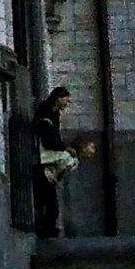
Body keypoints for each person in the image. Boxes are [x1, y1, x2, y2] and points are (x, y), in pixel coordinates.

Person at [24, 88, 84, 240]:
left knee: (49, 202)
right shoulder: (45, 116)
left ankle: (48, 228)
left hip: (47, 162)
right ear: (58, 98)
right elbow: (50, 140)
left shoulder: (54, 115)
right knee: (46, 201)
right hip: (43, 162)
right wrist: (65, 148)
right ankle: (45, 229)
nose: (66, 103)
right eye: (65, 100)